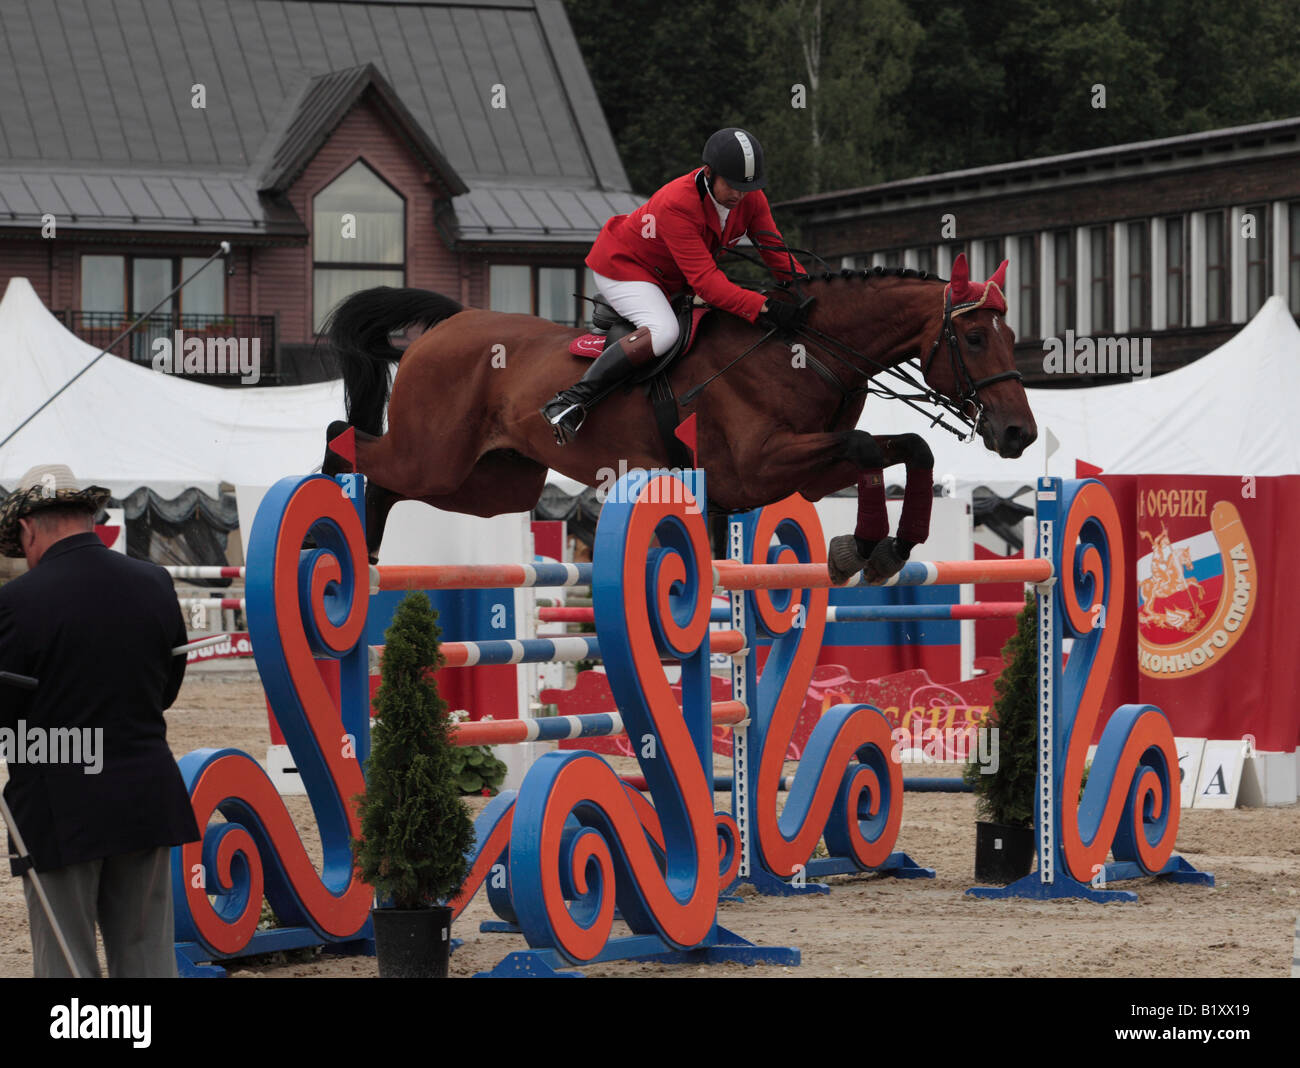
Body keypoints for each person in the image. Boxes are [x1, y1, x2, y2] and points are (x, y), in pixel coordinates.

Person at [0, 464, 200, 977]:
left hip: (58, 807)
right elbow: (167, 690)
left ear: (27, 527)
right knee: (148, 958)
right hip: (145, 794)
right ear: (89, 515)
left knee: (66, 965)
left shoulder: (16, 603)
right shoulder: (155, 583)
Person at [541, 127, 812, 443]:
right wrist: (765, 306)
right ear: (709, 173)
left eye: (747, 187)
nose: (740, 195)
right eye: (733, 185)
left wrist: (808, 289)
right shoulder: (677, 203)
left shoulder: (750, 199)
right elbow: (708, 283)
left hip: (675, 277)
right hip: (626, 267)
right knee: (664, 330)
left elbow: (775, 251)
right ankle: (571, 401)